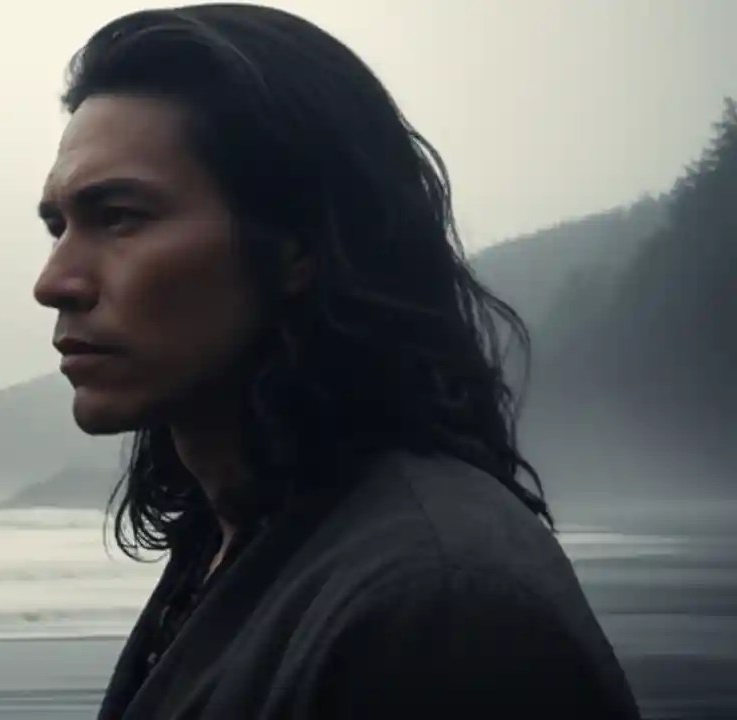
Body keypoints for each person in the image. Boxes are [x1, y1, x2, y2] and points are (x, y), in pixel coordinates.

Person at [32, 4, 640, 719]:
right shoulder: (235, 542)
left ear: (299, 244)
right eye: (58, 225)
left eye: (120, 217)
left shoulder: (439, 604)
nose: (54, 282)